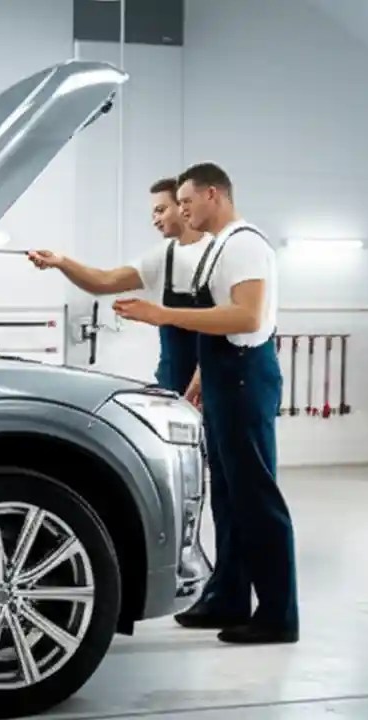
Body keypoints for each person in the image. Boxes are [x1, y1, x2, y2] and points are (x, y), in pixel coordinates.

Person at [112, 162, 299, 645]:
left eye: (188, 201)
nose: (182, 209)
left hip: (244, 380)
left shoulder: (244, 244)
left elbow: (246, 314)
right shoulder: (219, 247)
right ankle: (231, 595)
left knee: (256, 497)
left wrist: (160, 313)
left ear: (213, 195)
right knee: (229, 497)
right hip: (222, 377)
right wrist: (200, 374)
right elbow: (222, 321)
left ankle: (278, 614)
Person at [26, 177, 212, 391]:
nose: (155, 220)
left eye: (161, 210)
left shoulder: (216, 251)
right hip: (172, 380)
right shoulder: (165, 254)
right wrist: (61, 262)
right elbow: (104, 281)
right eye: (154, 213)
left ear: (182, 206)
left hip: (210, 382)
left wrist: (199, 383)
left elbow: (226, 332)